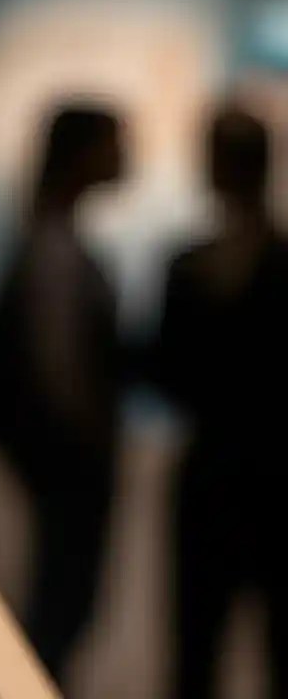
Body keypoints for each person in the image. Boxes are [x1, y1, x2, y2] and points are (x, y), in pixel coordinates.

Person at [0, 106, 126, 683]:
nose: (125, 157)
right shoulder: (55, 250)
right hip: (69, 465)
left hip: (64, 462)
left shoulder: (52, 240)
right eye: (115, 143)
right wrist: (88, 448)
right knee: (59, 609)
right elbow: (61, 376)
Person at [155, 106, 288, 698]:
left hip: (225, 472)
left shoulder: (191, 266)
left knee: (201, 646)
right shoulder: (197, 265)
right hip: (262, 471)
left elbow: (165, 371)